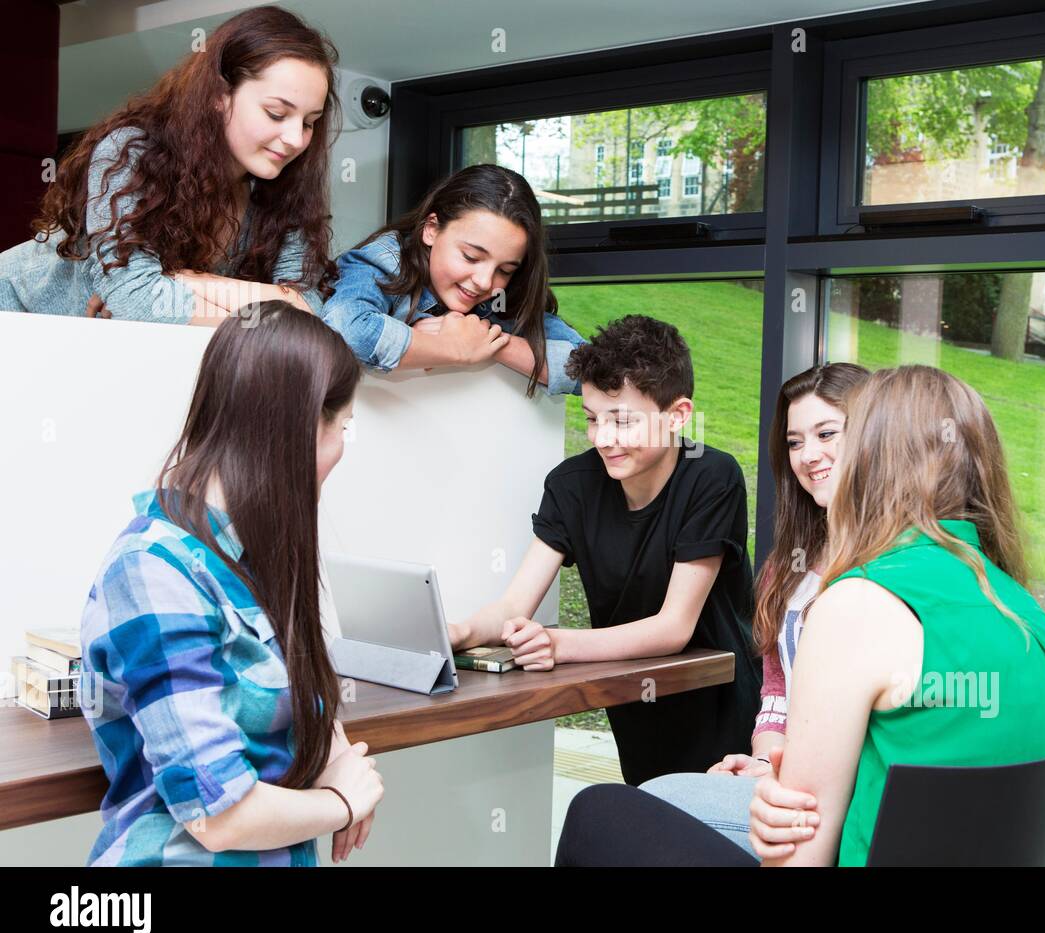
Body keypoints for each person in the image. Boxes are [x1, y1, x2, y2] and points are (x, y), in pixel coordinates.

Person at [554, 364, 1045, 865]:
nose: (813, 457)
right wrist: (773, 773)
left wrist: (780, 799)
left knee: (598, 811)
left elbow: (800, 851)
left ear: (874, 457)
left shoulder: (858, 602)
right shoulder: (1019, 603)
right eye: (796, 441)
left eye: (839, 438)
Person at [78, 301, 383, 866]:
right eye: (342, 428)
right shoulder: (153, 571)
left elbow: (301, 687)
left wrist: (338, 754)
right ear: (297, 431)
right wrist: (341, 799)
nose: (342, 449)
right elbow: (217, 814)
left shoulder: (254, 553)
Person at [450, 314, 761, 784]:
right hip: (633, 702)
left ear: (677, 415)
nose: (603, 439)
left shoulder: (713, 477)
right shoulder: (571, 485)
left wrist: (558, 643)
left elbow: (674, 627)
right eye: (593, 419)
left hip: (719, 707)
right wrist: (460, 631)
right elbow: (516, 605)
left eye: (622, 422)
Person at [636, 362, 870, 855]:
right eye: (794, 441)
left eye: (827, 433)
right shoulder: (788, 568)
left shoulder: (888, 573)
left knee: (646, 809)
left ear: (875, 434)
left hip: (843, 805)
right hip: (788, 783)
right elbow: (778, 688)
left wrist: (781, 781)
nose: (809, 456)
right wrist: (765, 762)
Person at [0, 6, 338, 324]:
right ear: (218, 96)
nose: (295, 138)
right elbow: (139, 301)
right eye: (276, 114)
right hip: (15, 318)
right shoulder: (131, 151)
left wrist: (188, 281)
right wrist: (267, 319)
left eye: (309, 122)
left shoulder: (283, 192)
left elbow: (306, 307)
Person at [321, 164, 586, 396]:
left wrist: (486, 343)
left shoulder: (500, 298)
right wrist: (447, 346)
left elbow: (591, 369)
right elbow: (344, 328)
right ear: (432, 229)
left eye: (505, 270)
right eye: (471, 257)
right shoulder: (385, 260)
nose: (484, 282)